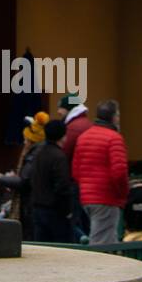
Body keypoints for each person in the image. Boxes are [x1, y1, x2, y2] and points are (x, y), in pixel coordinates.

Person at [72, 99, 129, 244]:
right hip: (106, 197)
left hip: (87, 197)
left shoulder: (83, 137)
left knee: (103, 236)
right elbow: (119, 172)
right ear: (114, 117)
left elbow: (75, 171)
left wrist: (86, 187)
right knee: (103, 243)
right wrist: (122, 194)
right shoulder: (114, 138)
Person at [0, 111, 49, 241]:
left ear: (32, 140)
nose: (24, 141)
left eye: (26, 138)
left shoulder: (34, 154)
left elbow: (24, 181)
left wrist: (1, 179)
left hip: (30, 205)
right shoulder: (37, 152)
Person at [29, 119, 74, 242]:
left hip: (38, 207)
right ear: (62, 136)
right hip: (55, 211)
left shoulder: (38, 153)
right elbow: (63, 186)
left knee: (42, 248)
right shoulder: (59, 157)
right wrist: (67, 211)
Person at [57, 93, 92, 240]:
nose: (58, 111)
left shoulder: (73, 128)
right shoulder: (86, 123)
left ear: (68, 108)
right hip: (87, 179)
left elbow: (63, 154)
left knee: (75, 221)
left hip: (76, 180)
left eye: (61, 108)